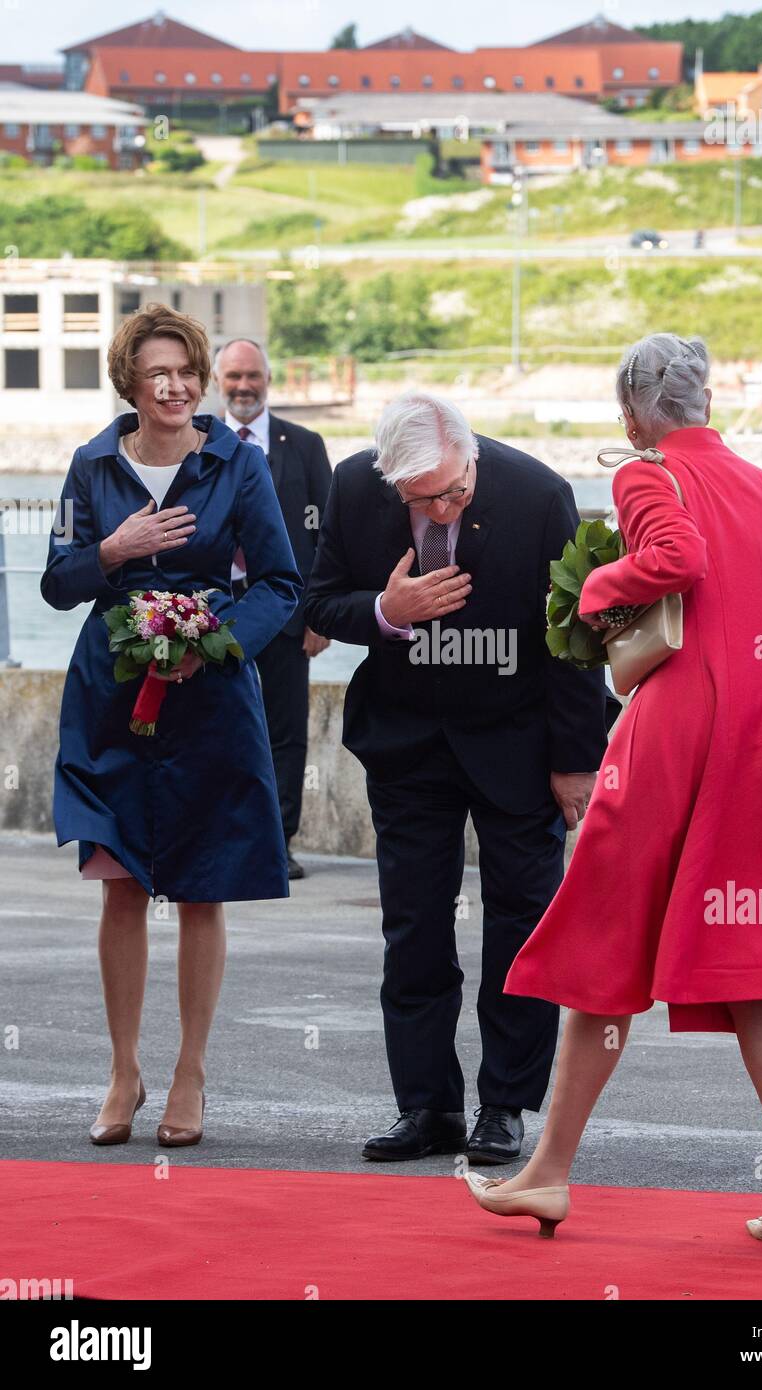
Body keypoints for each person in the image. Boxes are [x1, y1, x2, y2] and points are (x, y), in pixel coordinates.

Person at [464, 333, 762, 1241]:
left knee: (606, 932)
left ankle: (548, 1173)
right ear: (707, 404)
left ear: (631, 414)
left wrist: (592, 595)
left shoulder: (643, 473)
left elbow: (675, 560)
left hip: (689, 726)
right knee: (755, 942)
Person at [304, 392, 614, 1164]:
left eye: (455, 489)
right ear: (390, 480)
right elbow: (315, 605)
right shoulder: (350, 486)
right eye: (424, 498)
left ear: (470, 457)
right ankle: (426, 1107)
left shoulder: (537, 493)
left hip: (516, 742)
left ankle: (503, 1106)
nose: (443, 506)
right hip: (408, 744)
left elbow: (574, 638)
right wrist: (386, 608)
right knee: (413, 928)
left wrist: (576, 760)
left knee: (520, 926)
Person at [41, 303, 302, 1149]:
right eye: (160, 371)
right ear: (132, 381)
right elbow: (57, 581)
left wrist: (215, 647)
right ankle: (124, 1070)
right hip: (109, 694)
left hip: (209, 690)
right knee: (118, 880)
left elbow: (278, 585)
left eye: (187, 370)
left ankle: (189, 1071)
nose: (177, 384)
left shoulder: (236, 462)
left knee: (199, 882)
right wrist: (113, 550)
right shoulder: (91, 466)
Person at [213, 338, 334, 880]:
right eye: (234, 376)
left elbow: (329, 538)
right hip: (212, 609)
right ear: (218, 381)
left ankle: (278, 843)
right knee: (215, 725)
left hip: (286, 609)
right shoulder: (200, 441)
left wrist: (320, 614)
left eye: (253, 376)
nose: (244, 386)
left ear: (268, 378)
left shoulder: (304, 445)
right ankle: (218, 834)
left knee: (286, 732)